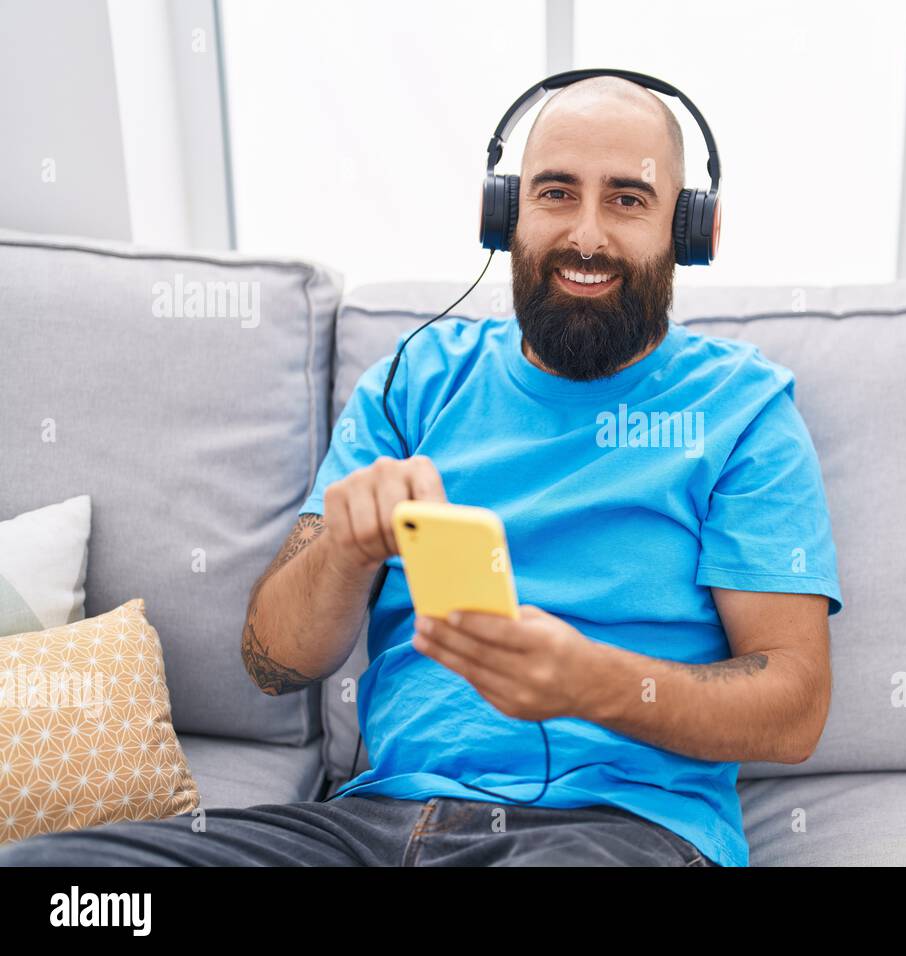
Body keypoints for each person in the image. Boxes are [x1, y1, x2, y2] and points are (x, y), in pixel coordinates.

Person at [0, 76, 841, 868]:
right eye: (555, 193)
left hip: (613, 833)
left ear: (691, 231)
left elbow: (794, 706)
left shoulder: (743, 411)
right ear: (505, 215)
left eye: (627, 198)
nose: (586, 234)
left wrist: (595, 682)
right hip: (372, 826)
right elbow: (272, 663)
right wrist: (343, 552)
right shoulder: (415, 380)